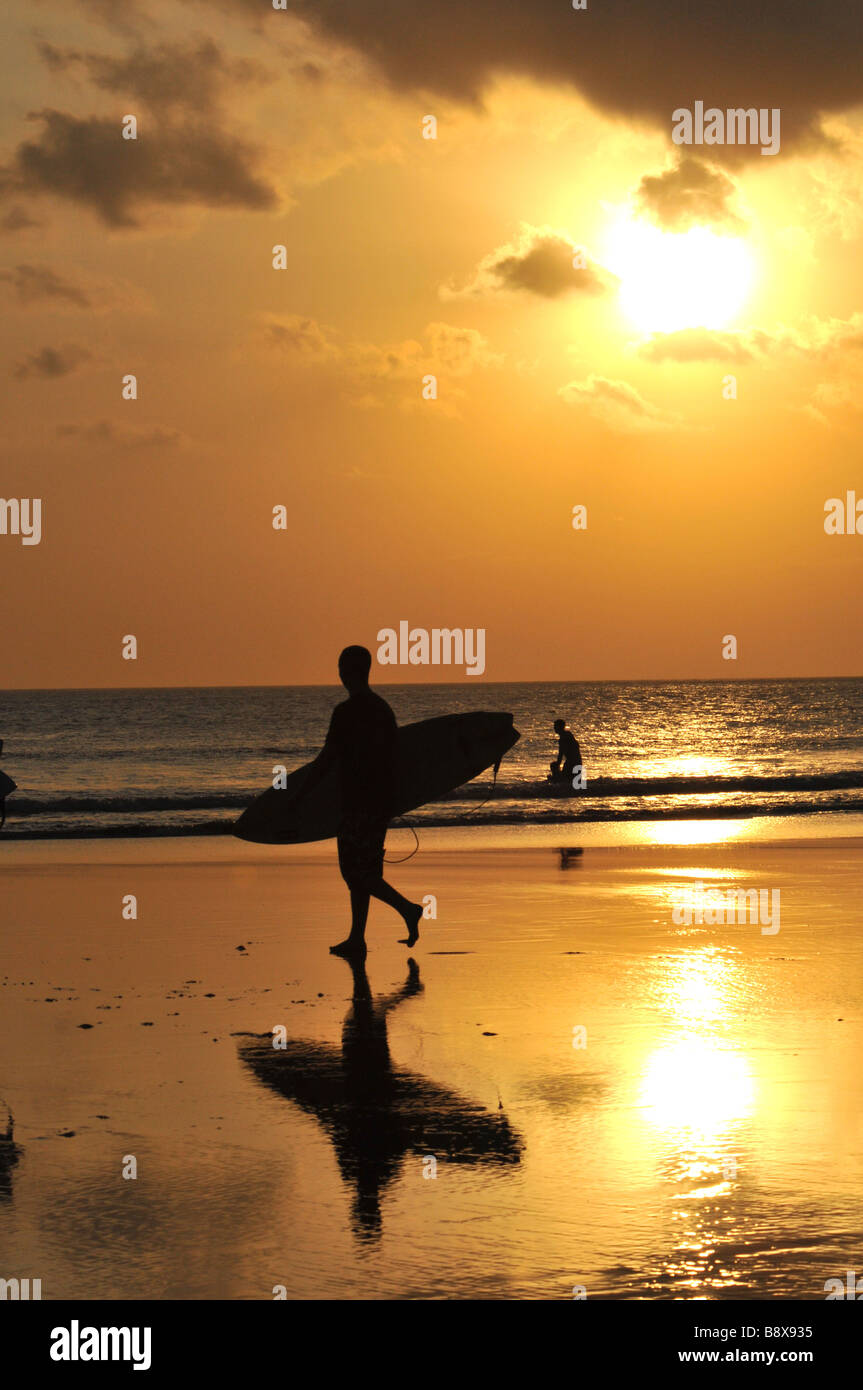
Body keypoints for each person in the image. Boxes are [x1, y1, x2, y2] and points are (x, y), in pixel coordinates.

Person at [295, 646, 423, 959]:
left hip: (356, 803)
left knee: (357, 874)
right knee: (364, 871)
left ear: (348, 672)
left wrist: (300, 793)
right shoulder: (383, 709)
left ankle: (408, 909)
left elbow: (328, 758)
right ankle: (357, 938)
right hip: (380, 803)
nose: (339, 673)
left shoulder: (346, 712)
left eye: (341, 667)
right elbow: (397, 758)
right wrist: (396, 800)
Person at [551, 718, 582, 785]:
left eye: (555, 726)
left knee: (567, 781)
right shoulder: (568, 735)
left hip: (572, 763)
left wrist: (557, 766)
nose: (554, 728)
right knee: (573, 783)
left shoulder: (564, 738)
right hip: (576, 761)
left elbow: (561, 754)